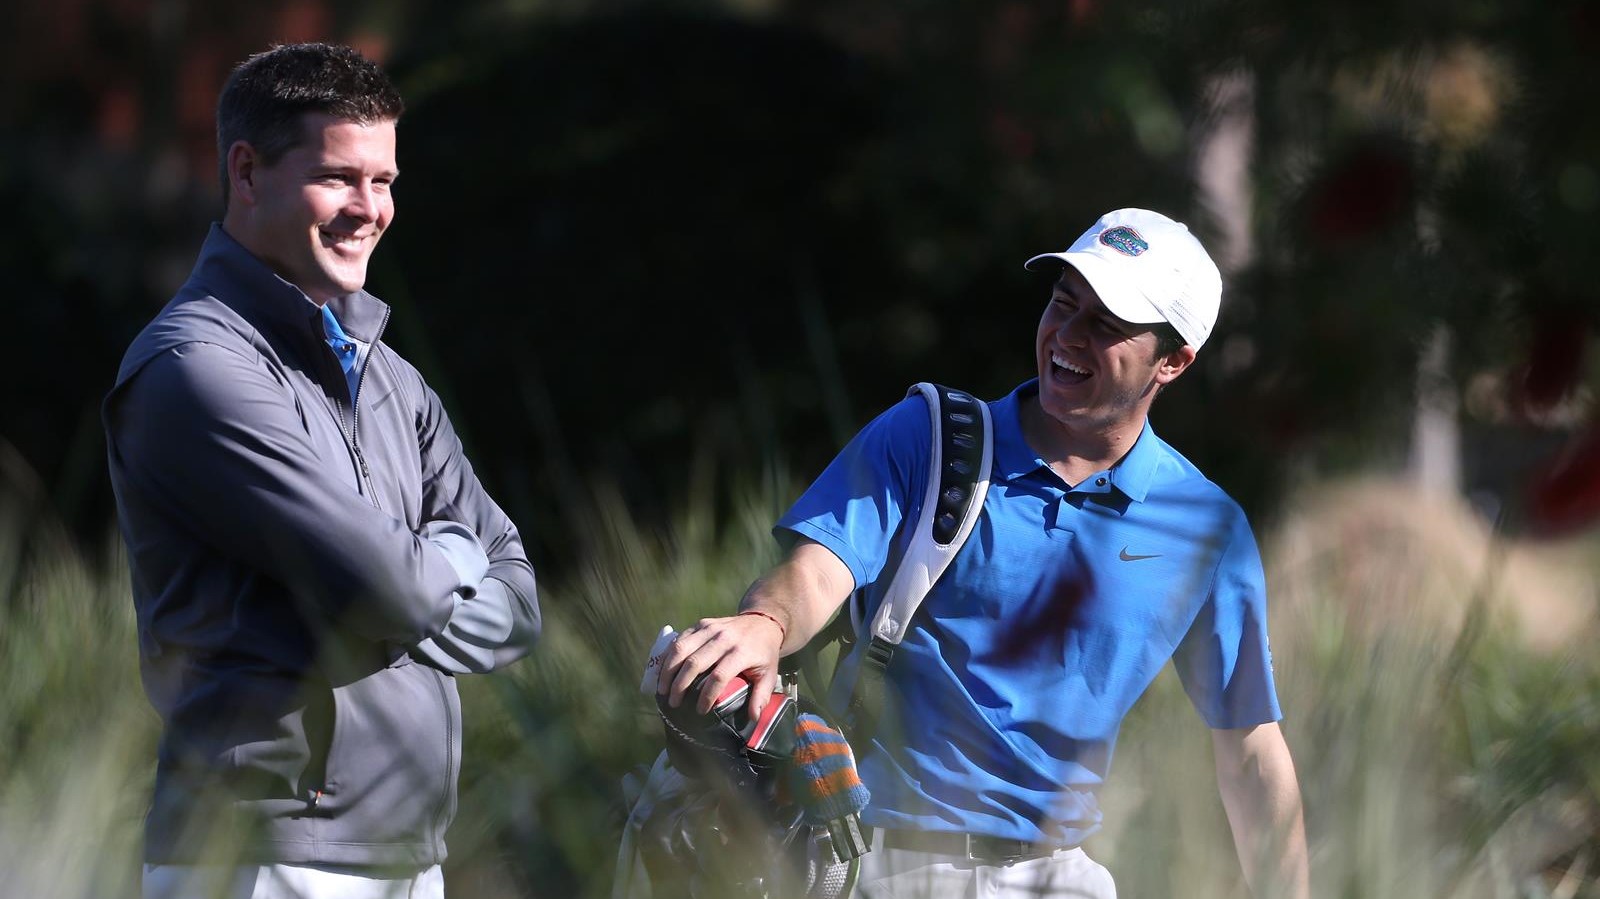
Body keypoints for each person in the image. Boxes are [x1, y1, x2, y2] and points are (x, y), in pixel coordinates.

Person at [658, 209, 1309, 898]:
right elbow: (817, 570)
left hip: (1061, 875)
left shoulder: (1206, 527)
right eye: (1064, 302)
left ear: (1173, 361)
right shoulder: (930, 438)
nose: (1069, 335)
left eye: (1107, 325)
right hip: (878, 861)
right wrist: (767, 624)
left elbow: (1249, 749)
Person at [103, 43, 540, 899]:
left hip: (411, 854)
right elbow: (395, 591)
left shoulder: (390, 376)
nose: (368, 209)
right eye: (340, 177)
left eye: (385, 182)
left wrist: (411, 580)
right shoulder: (195, 367)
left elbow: (521, 601)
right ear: (247, 172)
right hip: (258, 857)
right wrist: (446, 560)